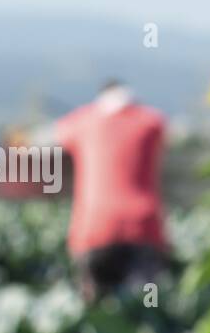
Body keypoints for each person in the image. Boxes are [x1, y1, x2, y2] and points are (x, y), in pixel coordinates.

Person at [53, 80, 169, 302]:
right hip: (143, 225)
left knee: (95, 307)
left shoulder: (82, 120)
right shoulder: (152, 121)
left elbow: (54, 136)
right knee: (146, 307)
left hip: (94, 226)